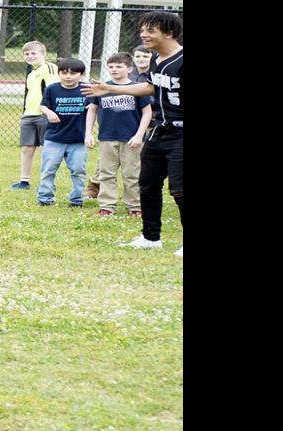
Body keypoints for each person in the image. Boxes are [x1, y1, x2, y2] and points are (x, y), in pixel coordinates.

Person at [85, 12, 181, 253]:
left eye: (150, 30)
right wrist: (109, 88)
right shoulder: (157, 60)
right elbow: (149, 86)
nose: (143, 34)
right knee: (147, 185)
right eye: (142, 30)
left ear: (168, 33)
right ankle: (151, 238)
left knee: (180, 189)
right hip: (159, 132)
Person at [85, 52, 150, 217]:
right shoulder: (102, 88)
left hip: (132, 139)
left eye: (119, 66)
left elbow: (147, 113)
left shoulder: (136, 88)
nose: (114, 69)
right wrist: (88, 133)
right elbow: (92, 110)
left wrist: (139, 135)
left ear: (129, 68)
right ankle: (107, 206)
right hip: (107, 137)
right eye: (111, 66)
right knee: (106, 173)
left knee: (132, 174)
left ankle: (135, 207)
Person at [36, 58, 89, 207]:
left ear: (82, 74)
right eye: (64, 73)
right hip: (55, 138)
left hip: (78, 139)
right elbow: (43, 106)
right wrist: (49, 112)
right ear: (59, 73)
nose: (68, 76)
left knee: (79, 170)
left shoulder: (87, 90)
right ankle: (45, 198)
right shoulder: (52, 89)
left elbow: (95, 108)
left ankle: (77, 199)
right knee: (48, 169)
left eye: (73, 73)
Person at [11, 41, 59, 190]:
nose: (30, 56)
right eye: (27, 54)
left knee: (45, 149)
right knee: (26, 148)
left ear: (43, 54)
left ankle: (47, 182)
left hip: (44, 114)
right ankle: (24, 181)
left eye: (33, 53)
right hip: (29, 115)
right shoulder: (31, 74)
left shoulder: (49, 68)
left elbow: (54, 89)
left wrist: (50, 110)